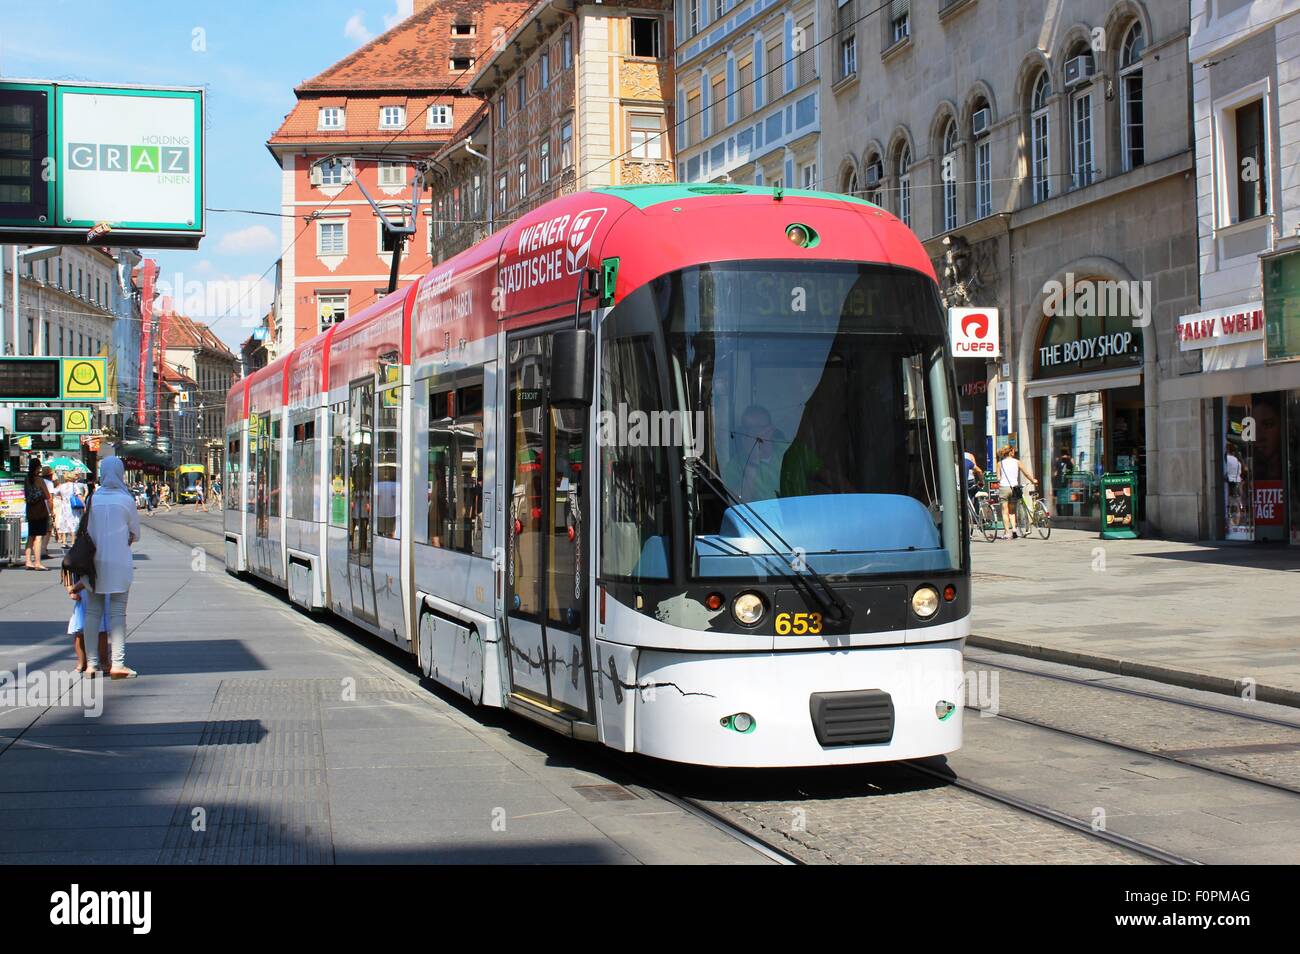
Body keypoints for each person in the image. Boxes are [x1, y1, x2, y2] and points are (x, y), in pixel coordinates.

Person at [81, 457, 142, 680]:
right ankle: (117, 664)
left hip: (93, 564)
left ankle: (92, 665)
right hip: (119, 564)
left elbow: (86, 530)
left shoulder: (94, 499)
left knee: (92, 612)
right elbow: (136, 533)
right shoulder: (126, 500)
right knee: (117, 613)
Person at [65, 574, 109, 676]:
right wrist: (70, 589)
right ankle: (82, 662)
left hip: (99, 586)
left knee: (101, 629)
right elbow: (67, 569)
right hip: (83, 590)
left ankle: (103, 661)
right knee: (80, 629)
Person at [996, 444, 1038, 540]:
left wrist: (1001, 479)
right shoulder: (1017, 462)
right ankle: (1014, 530)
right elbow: (1026, 473)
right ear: (1011, 451)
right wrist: (1033, 481)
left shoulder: (1000, 463)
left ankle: (1007, 533)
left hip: (1004, 488)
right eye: (1013, 450)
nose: (1014, 452)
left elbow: (998, 478)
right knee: (1012, 511)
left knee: (1004, 511)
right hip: (1014, 488)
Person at [23, 459, 54, 570]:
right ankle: (37, 563)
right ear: (37, 468)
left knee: (31, 537)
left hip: (30, 511)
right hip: (40, 512)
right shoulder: (40, 480)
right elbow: (47, 497)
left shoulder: (27, 480)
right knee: (39, 537)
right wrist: (51, 511)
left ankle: (28, 561)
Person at [1224, 443, 1244, 524]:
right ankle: (1236, 523)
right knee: (1236, 504)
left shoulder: (1227, 458)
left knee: (1229, 505)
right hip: (1237, 484)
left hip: (1230, 484)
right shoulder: (1238, 461)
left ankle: (1231, 523)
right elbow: (1240, 472)